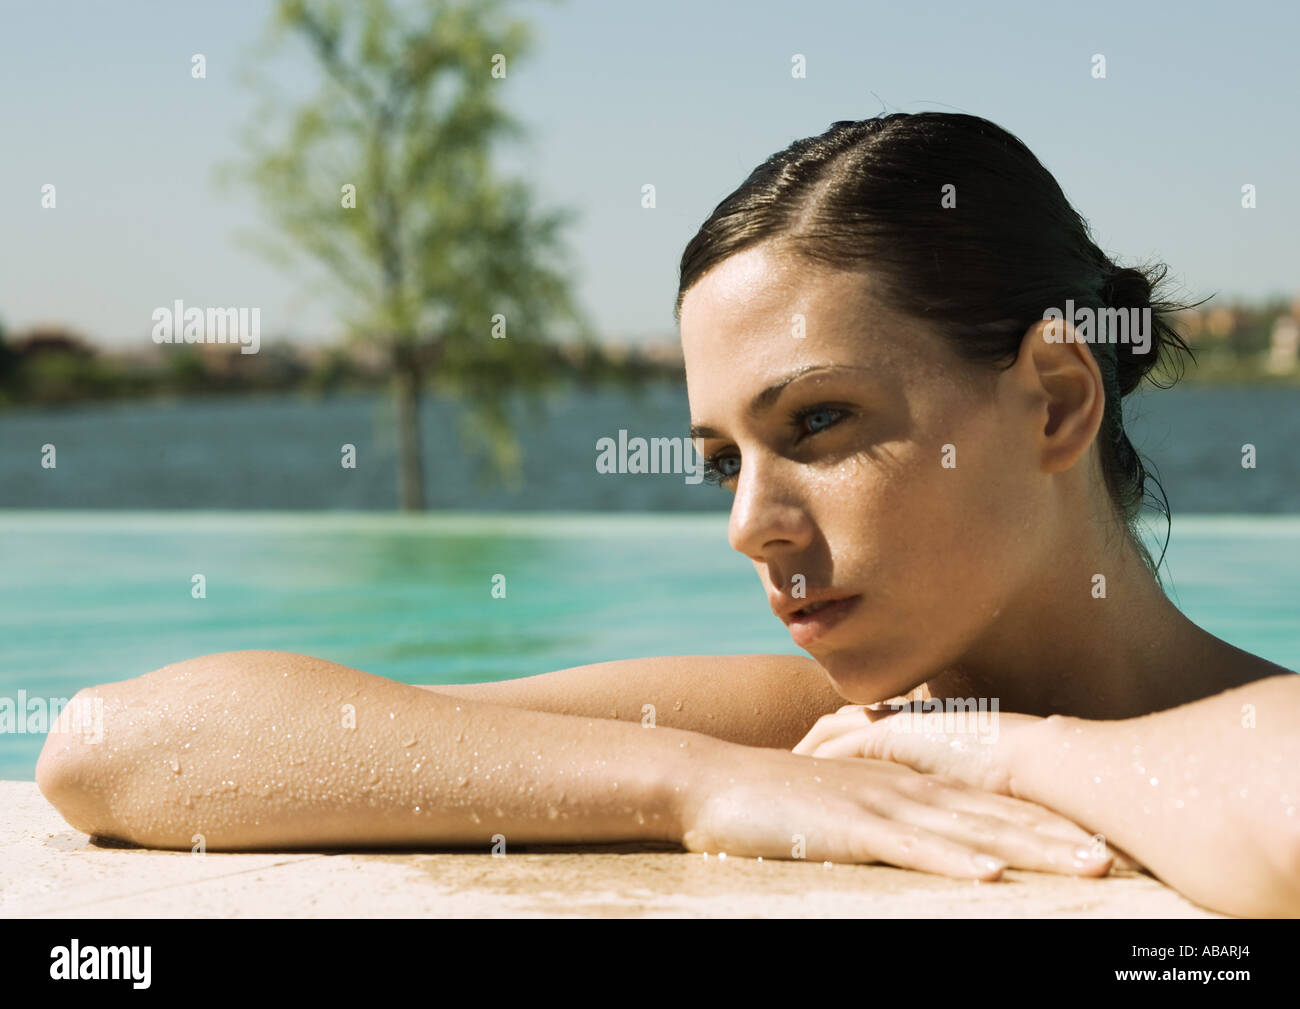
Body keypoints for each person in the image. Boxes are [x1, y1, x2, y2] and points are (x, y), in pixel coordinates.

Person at [36, 113, 1300, 917]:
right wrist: (689, 781)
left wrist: (1006, 754)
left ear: (1055, 400)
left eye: (817, 422)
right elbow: (115, 745)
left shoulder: (1240, 722)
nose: (750, 524)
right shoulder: (818, 736)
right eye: (721, 462)